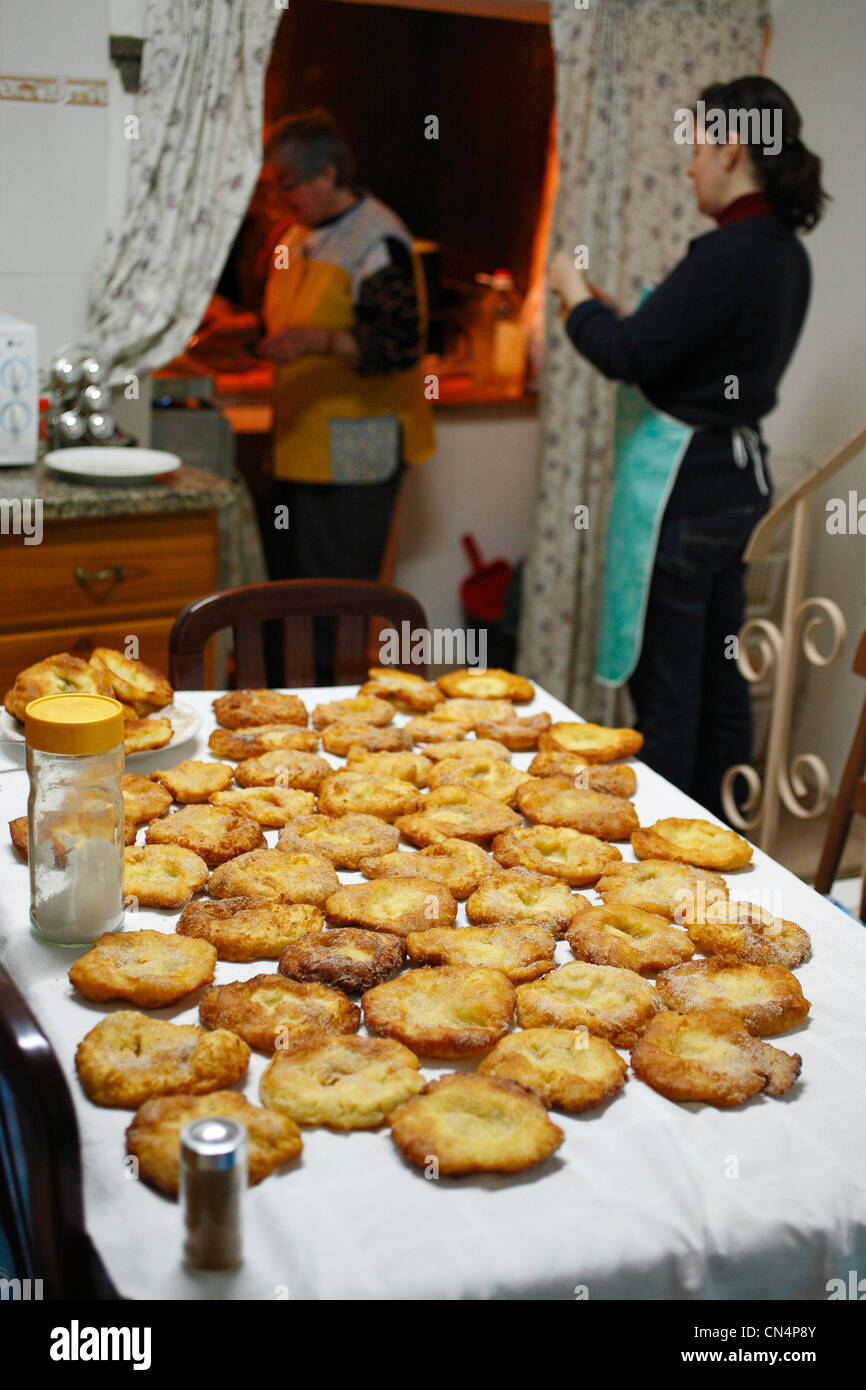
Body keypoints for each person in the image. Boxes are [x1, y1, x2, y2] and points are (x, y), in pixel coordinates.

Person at [548, 75, 827, 822]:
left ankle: (669, 848)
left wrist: (572, 294)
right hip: (739, 488)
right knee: (719, 678)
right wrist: (613, 312)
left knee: (670, 689)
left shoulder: (728, 254)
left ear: (733, 149)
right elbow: (684, 351)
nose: (689, 165)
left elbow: (630, 356)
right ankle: (725, 837)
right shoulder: (783, 254)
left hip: (689, 492)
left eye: (698, 147)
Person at [256, 110, 435, 680]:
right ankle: (282, 711)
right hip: (301, 446)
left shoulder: (378, 240)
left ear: (328, 175)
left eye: (289, 185)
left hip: (357, 453)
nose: (281, 199)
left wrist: (319, 341)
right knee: (291, 597)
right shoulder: (297, 235)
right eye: (273, 187)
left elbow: (402, 342)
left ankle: (333, 726)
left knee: (336, 605)